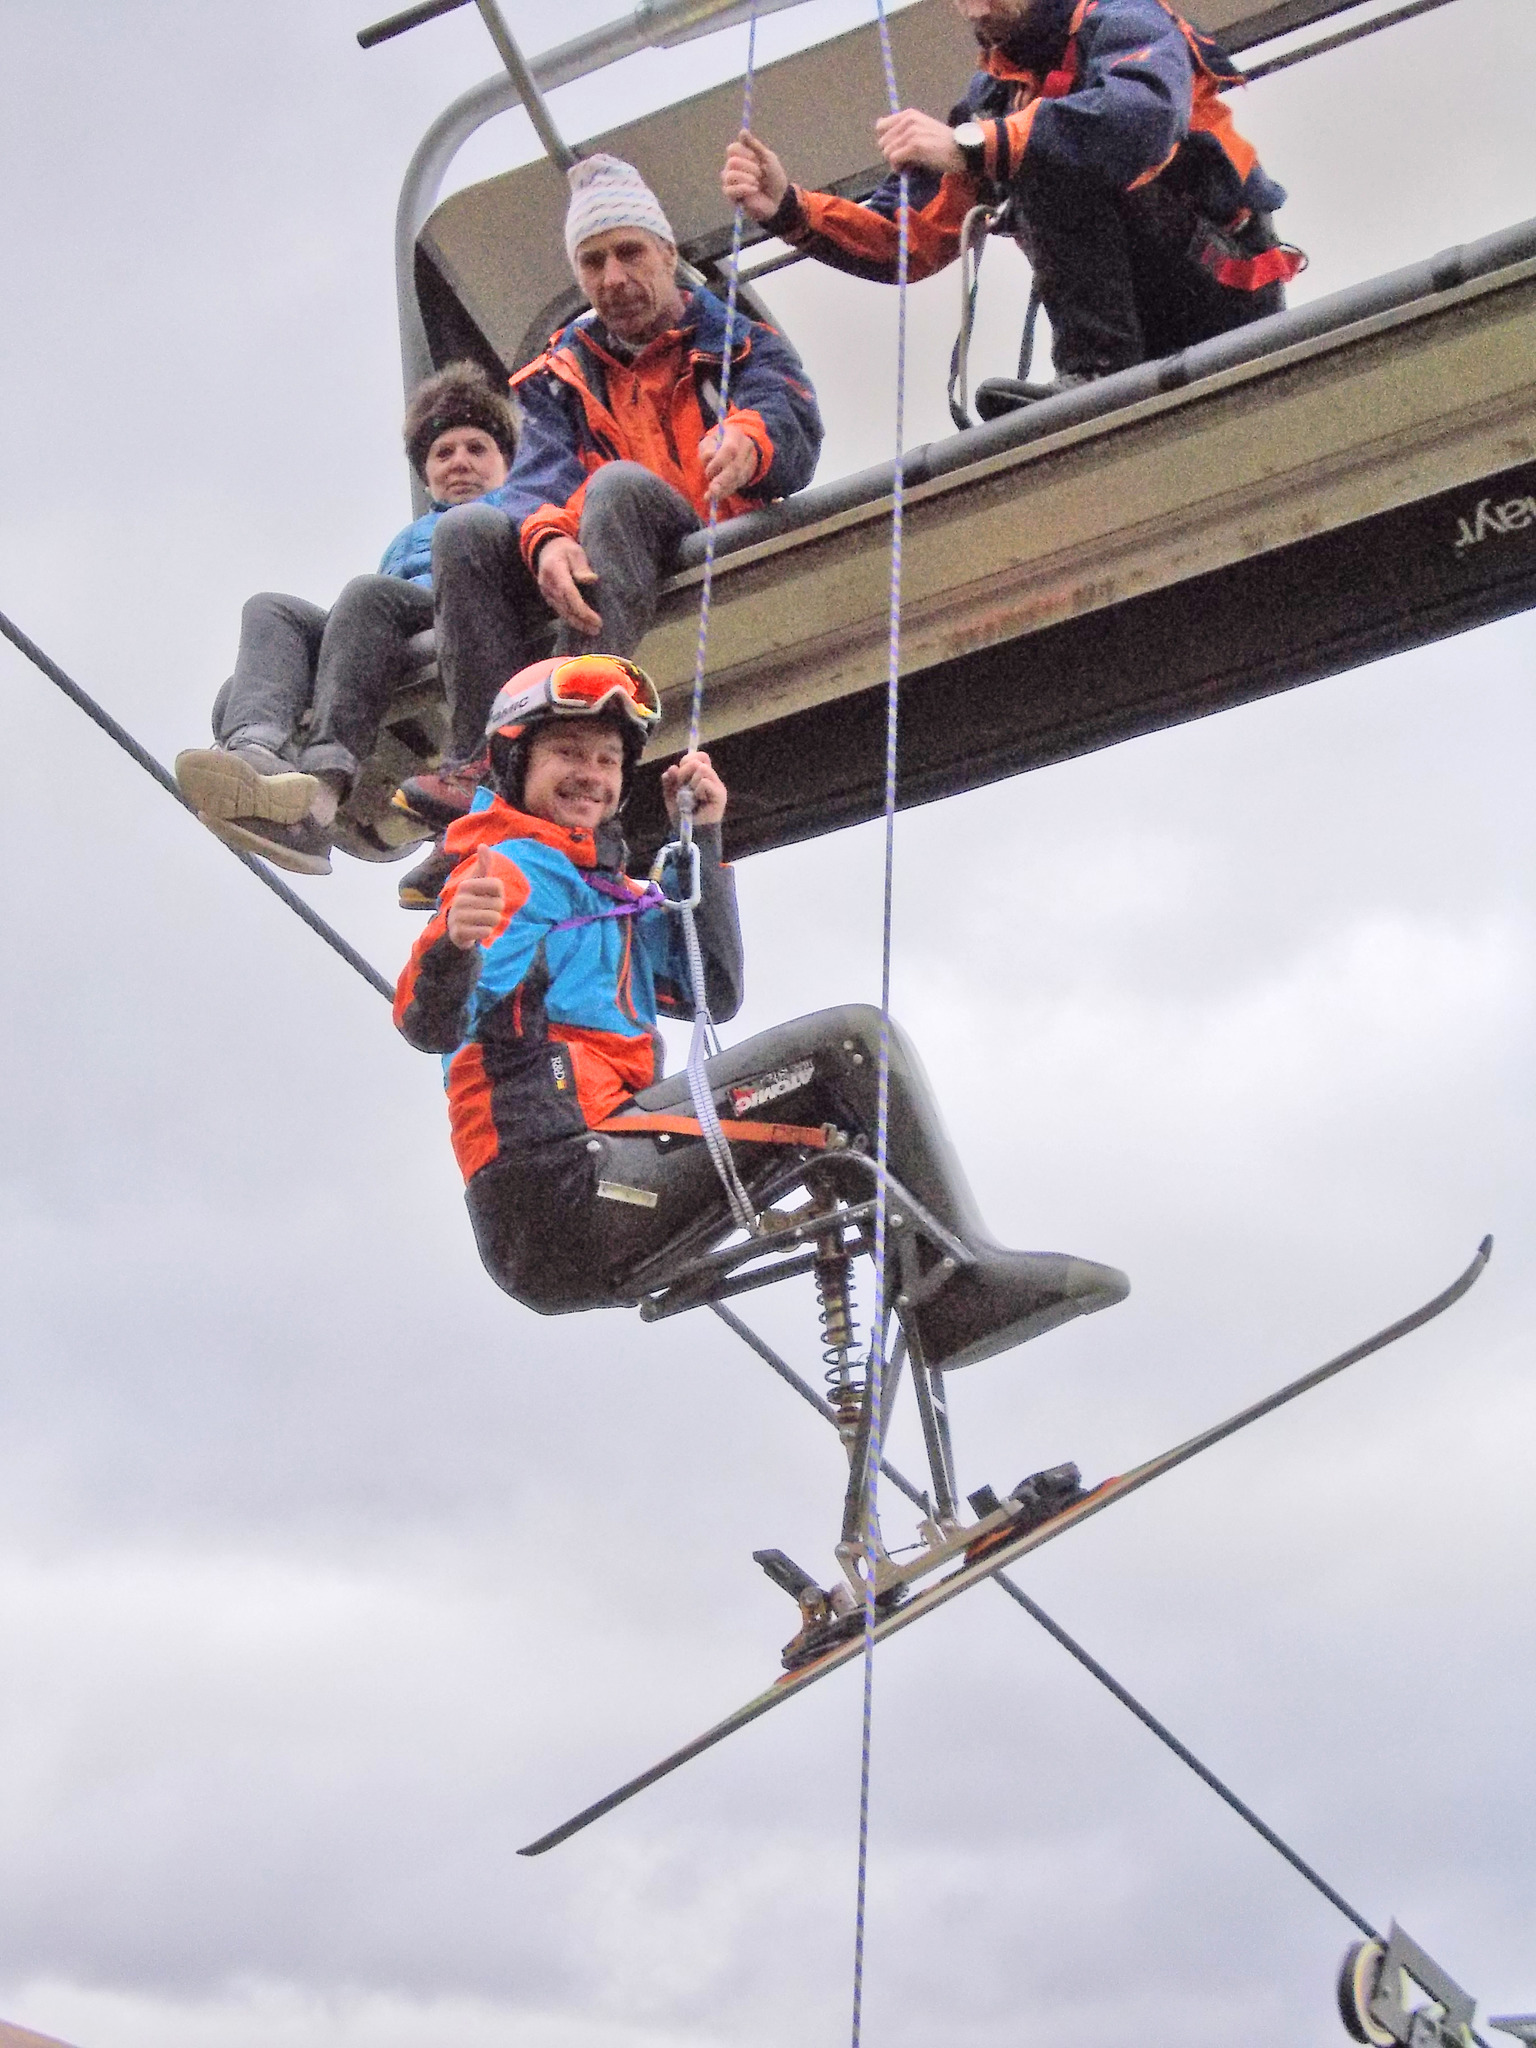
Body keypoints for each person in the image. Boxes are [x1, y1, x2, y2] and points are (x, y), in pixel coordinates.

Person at [394, 652, 1127, 1368]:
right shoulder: (510, 870)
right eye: (567, 753)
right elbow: (431, 1024)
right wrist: (457, 947)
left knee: (832, 1110)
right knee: (850, 1045)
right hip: (559, 1186)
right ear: (515, 761)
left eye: (608, 760)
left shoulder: (600, 892)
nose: (591, 774)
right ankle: (957, 1288)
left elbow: (711, 989)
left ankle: (938, 1292)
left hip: (590, 1183)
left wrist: (705, 837)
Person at [390, 152, 824, 886]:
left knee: (619, 485)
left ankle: (567, 716)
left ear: (666, 255)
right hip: (596, 547)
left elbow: (794, 420)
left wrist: (750, 442)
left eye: (629, 254)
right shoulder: (557, 372)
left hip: (699, 528)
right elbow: (536, 485)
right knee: (466, 529)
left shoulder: (740, 342)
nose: (613, 278)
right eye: (593, 262)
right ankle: (479, 772)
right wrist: (548, 536)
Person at [721, 0, 1304, 405]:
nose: (976, 12)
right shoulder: (994, 96)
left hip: (1223, 296)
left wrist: (977, 146)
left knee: (1044, 149)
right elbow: (914, 235)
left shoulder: (1125, 19)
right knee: (1033, 144)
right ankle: (1095, 372)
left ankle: (1096, 372)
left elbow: (1141, 121)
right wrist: (790, 210)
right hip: (1142, 317)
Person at [174, 363, 520, 876]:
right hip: (391, 622)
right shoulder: (409, 536)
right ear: (426, 473)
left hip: (461, 609)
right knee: (271, 610)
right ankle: (257, 749)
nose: (460, 463)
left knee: (365, 595)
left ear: (506, 462)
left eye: (476, 449)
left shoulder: (519, 506)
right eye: (443, 454)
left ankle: (321, 795)